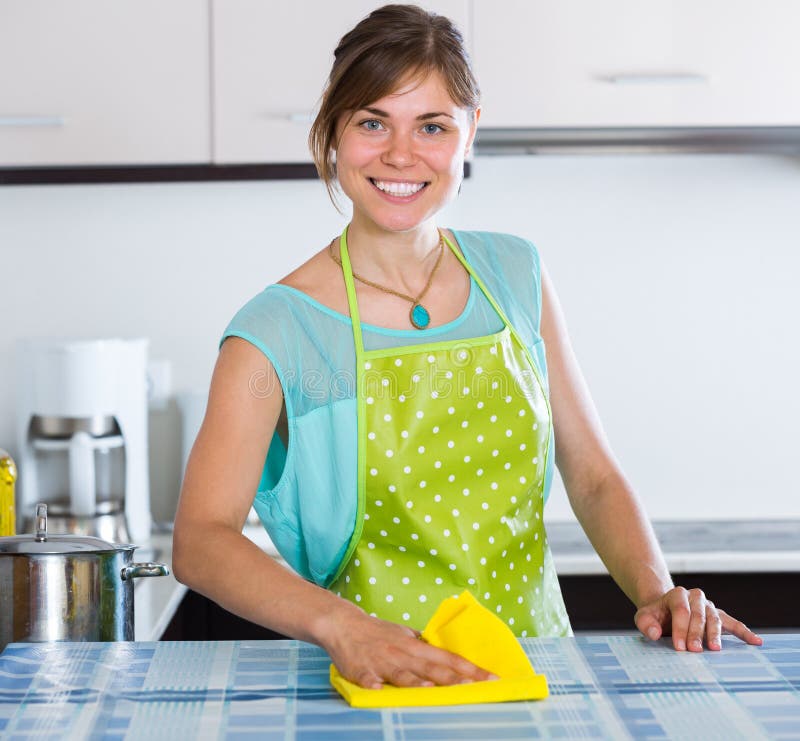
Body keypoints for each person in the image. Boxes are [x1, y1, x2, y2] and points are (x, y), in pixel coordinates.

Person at [172, 3, 762, 690]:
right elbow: (202, 537)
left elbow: (593, 474)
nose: (400, 154)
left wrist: (656, 589)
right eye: (372, 122)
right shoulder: (279, 331)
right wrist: (342, 626)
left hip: (535, 676)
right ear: (332, 131)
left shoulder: (516, 276)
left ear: (469, 131)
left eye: (432, 126)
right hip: (379, 687)